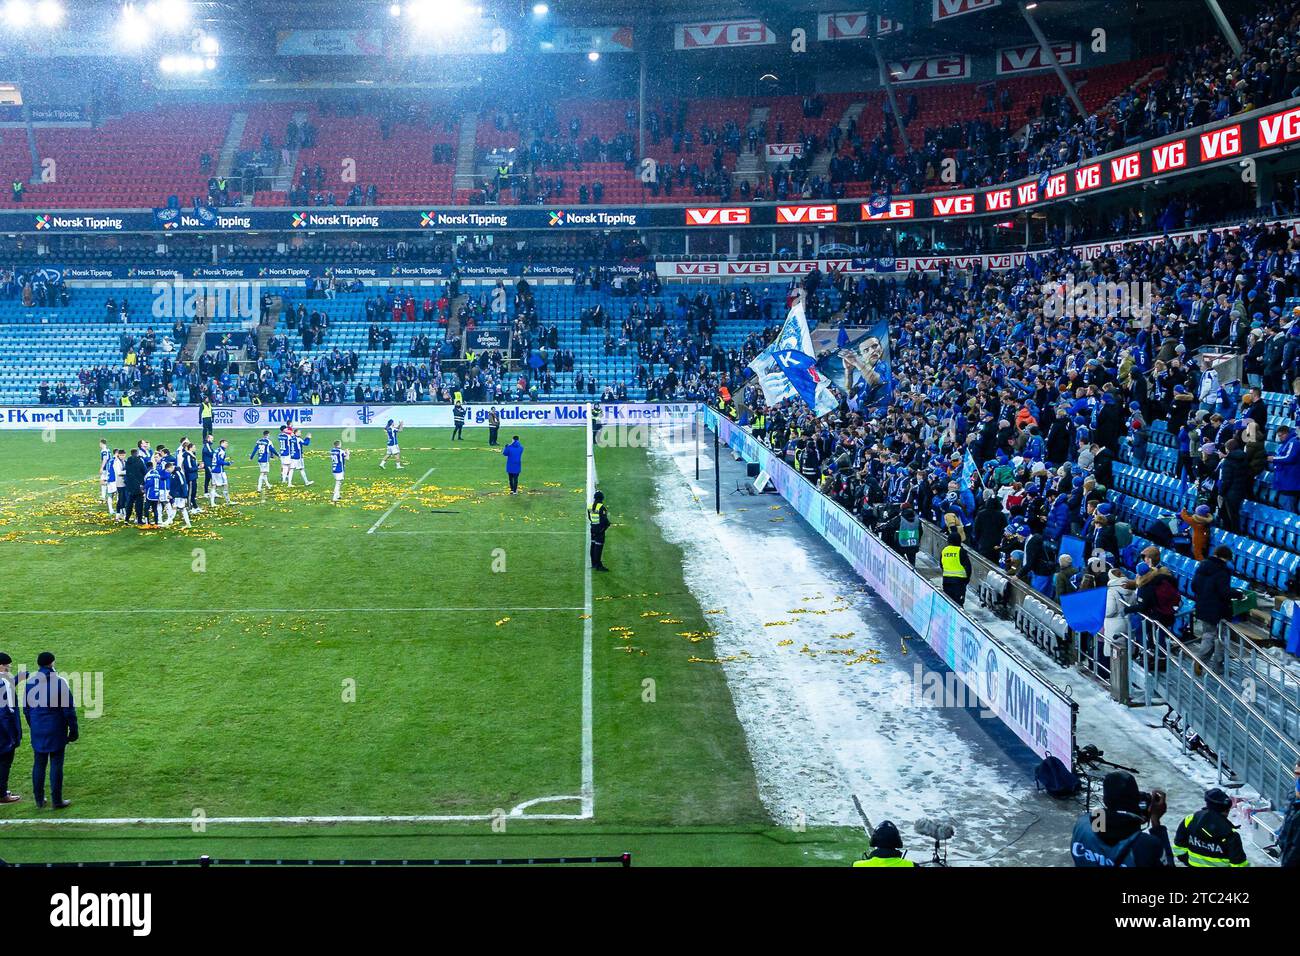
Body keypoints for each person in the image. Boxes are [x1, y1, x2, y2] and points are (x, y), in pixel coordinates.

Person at [1070, 771, 1174, 867]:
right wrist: (1155, 822)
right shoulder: (1146, 844)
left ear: (1105, 799)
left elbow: (1108, 829)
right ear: (1135, 800)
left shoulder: (1082, 825)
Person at [23, 651, 78, 810]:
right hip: (56, 729)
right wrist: (73, 731)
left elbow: (26, 710)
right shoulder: (60, 682)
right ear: (52, 663)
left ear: (39, 664)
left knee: (39, 764)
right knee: (56, 763)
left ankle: (39, 800)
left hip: (38, 728)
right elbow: (69, 711)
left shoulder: (30, 682)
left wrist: (34, 726)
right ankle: (57, 800)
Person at [1173, 788, 1249, 867]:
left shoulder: (1190, 820)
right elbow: (1239, 865)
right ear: (1226, 810)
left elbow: (1179, 850)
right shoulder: (1230, 834)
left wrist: (1190, 863)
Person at [1190, 544, 1234, 674]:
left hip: (1203, 606)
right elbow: (1224, 592)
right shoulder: (1222, 571)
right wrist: (1237, 594)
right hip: (1218, 609)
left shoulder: (1202, 567)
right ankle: (1217, 666)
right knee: (1221, 637)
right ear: (1225, 558)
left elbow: (1193, 586)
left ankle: (1200, 661)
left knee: (1208, 635)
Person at [0, 651, 20, 804]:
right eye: (7, 666)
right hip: (3, 732)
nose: (9, 668)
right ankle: (2, 794)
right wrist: (12, 736)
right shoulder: (3, 683)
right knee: (5, 761)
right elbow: (6, 713)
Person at [1271, 425, 1300, 512]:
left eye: (1281, 435)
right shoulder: (1286, 443)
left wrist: (1273, 459)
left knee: (1289, 511)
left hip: (1291, 482)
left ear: (1286, 433)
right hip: (1286, 482)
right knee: (1286, 508)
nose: (1280, 438)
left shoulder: (1294, 442)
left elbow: (1289, 458)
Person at [940, 529, 971, 607]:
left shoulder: (944, 550)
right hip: (959, 582)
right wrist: (966, 580)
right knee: (958, 604)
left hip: (946, 581)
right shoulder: (961, 551)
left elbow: (941, 564)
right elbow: (968, 567)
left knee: (948, 603)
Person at [588, 490, 611, 570]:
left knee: (593, 545)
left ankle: (594, 563)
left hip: (593, 528)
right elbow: (604, 520)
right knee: (598, 547)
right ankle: (598, 565)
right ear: (602, 498)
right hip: (600, 529)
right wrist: (607, 524)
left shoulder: (590, 506)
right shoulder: (601, 507)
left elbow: (590, 518)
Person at [209, 438, 233, 506]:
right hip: (219, 471)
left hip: (214, 469)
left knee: (214, 486)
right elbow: (219, 461)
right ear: (222, 443)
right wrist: (227, 463)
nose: (227, 445)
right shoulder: (221, 451)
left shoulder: (217, 450)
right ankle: (228, 501)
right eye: (226, 443)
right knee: (225, 485)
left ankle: (212, 503)